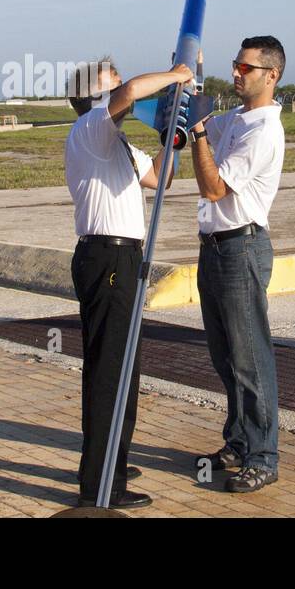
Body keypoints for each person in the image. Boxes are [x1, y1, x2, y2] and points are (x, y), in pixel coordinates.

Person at [64, 56, 193, 508]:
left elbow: (161, 179)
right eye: (109, 76)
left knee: (121, 369)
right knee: (110, 372)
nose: (118, 78)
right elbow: (132, 92)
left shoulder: (114, 142)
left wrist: (171, 137)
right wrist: (177, 75)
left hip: (123, 257)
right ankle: (102, 484)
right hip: (108, 258)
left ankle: (110, 461)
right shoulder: (92, 129)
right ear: (91, 94)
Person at [188, 36, 286, 493]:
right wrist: (190, 76)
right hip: (213, 247)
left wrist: (200, 132)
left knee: (250, 360)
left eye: (246, 69)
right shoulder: (237, 118)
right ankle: (239, 442)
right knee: (224, 357)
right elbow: (201, 114)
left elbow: (213, 189)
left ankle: (264, 457)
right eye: (235, 66)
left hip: (241, 247)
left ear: (272, 75)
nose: (237, 75)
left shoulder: (263, 130)